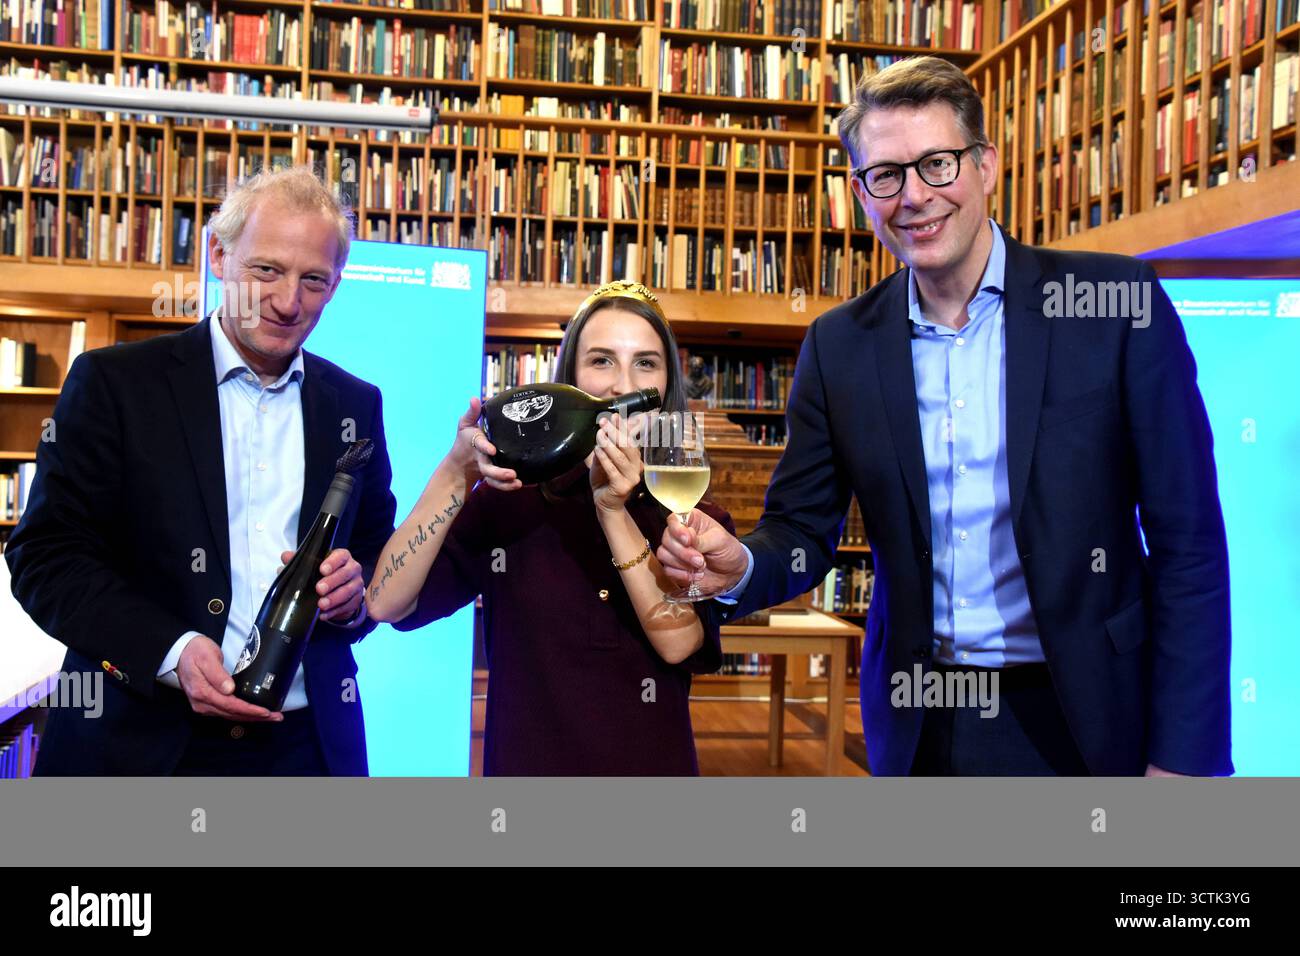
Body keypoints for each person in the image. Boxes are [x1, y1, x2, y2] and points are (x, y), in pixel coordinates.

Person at [657, 57, 1233, 777]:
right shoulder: (839, 347)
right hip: (923, 727)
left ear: (986, 166)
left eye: (938, 163)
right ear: (862, 193)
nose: (915, 197)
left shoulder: (1116, 306)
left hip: (1093, 718)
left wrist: (1185, 761)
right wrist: (741, 563)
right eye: (886, 175)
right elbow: (802, 529)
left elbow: (1190, 547)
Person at [6, 165, 398, 775]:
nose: (288, 301)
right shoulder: (114, 385)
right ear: (219, 255)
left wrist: (357, 595)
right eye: (266, 270)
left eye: (314, 280)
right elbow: (46, 556)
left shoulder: (356, 403)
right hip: (135, 748)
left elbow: (376, 549)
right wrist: (172, 650)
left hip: (305, 753)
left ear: (337, 283)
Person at [366, 281, 732, 775]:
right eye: (601, 361)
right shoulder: (510, 501)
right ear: (569, 383)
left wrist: (613, 510)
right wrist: (456, 473)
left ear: (665, 387)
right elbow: (387, 602)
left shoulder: (691, 510)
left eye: (645, 363)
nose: (622, 385)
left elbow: (679, 643)